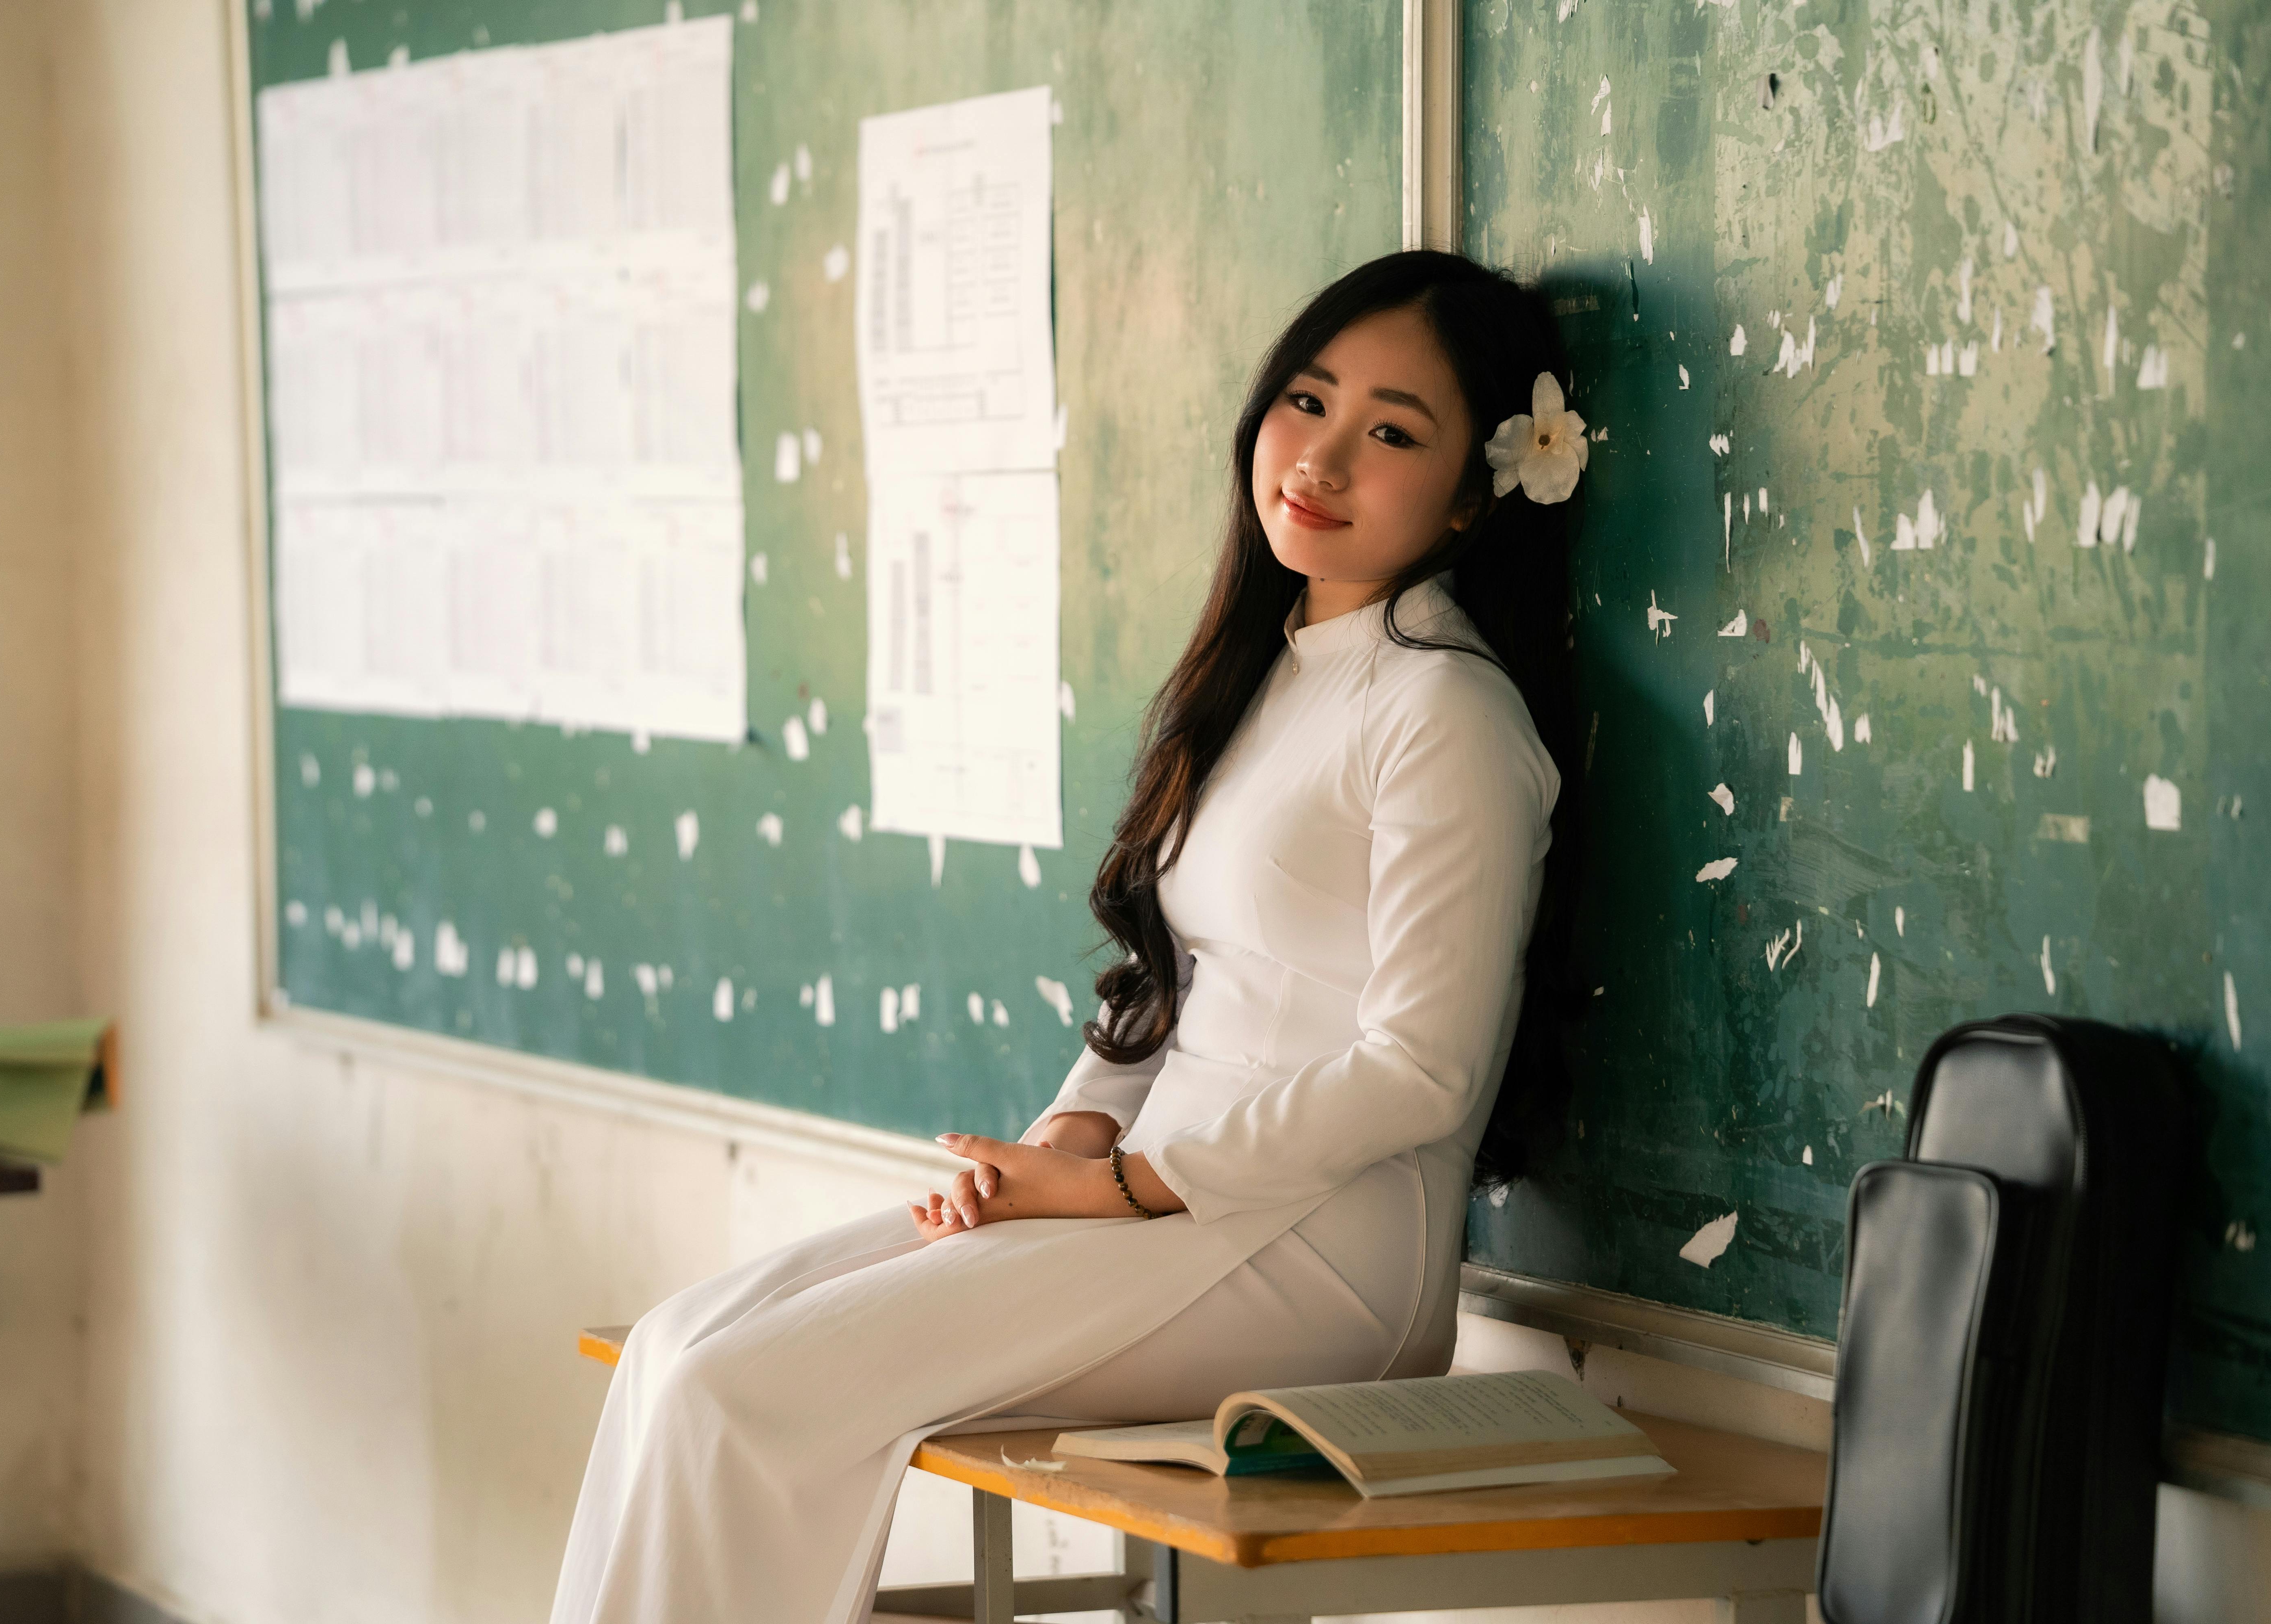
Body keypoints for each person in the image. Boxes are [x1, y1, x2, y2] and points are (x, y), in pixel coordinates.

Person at [550, 249, 1583, 1624]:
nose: (1322, 459)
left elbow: (1420, 1073)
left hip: (1326, 1257)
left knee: (746, 1396)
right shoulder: (1272, 670)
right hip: (1162, 1205)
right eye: (1306, 401)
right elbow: (1179, 978)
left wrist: (1126, 1186)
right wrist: (1066, 1144)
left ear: (1472, 496)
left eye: (1392, 433)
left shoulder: (1447, 714)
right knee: (678, 1349)